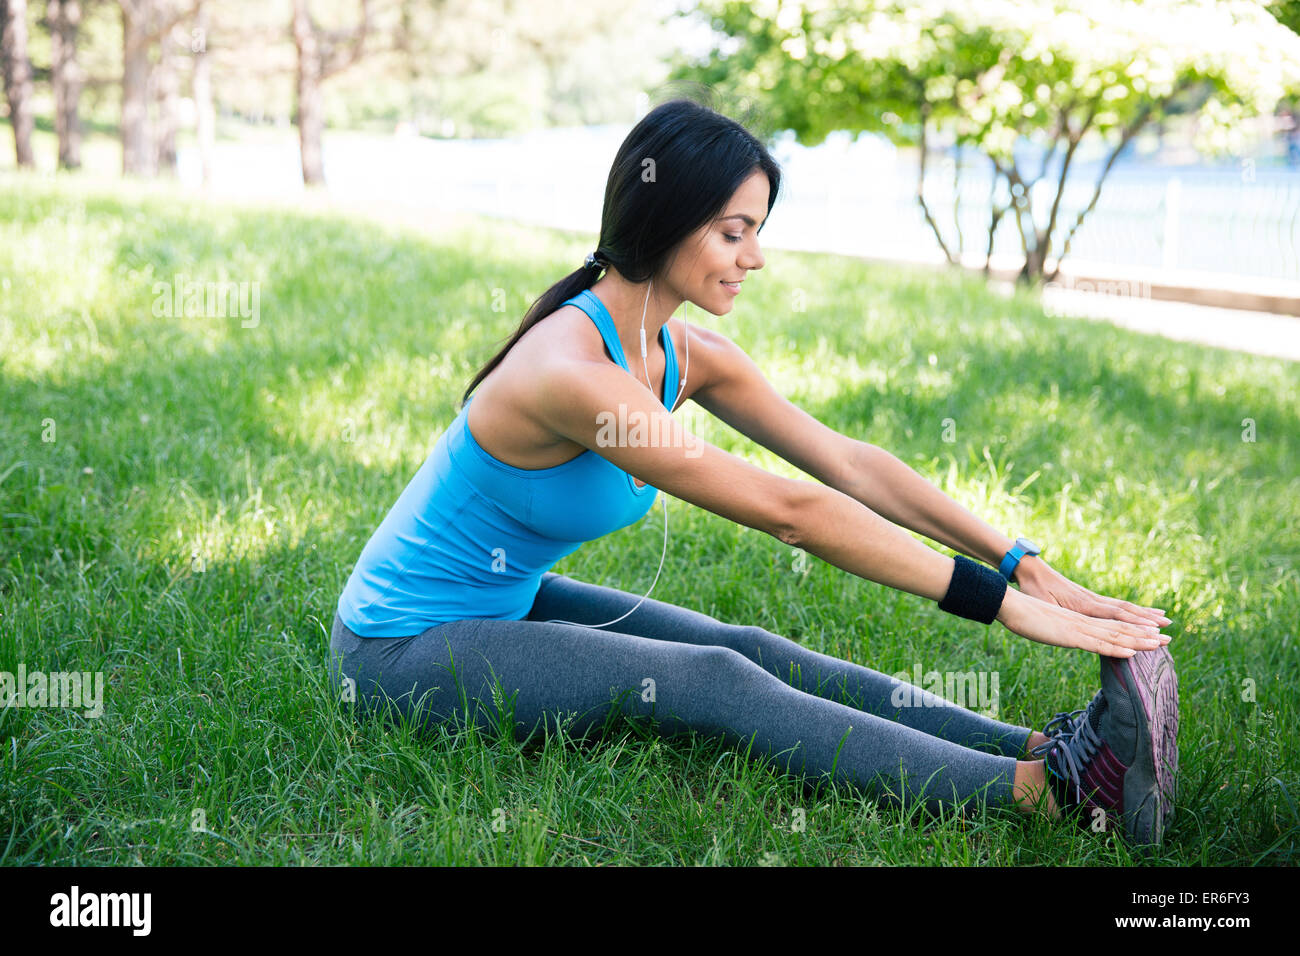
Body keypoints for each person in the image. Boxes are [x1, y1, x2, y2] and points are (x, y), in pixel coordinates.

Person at [329, 97, 1179, 847]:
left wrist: (1016, 560)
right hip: (395, 654)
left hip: (500, 602)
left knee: (744, 644)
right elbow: (790, 510)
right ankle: (1053, 797)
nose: (755, 257)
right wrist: (999, 608)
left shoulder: (682, 352)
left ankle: (1032, 746)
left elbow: (848, 464)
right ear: (665, 221)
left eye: (757, 233)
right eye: (734, 232)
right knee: (714, 681)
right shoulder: (570, 375)